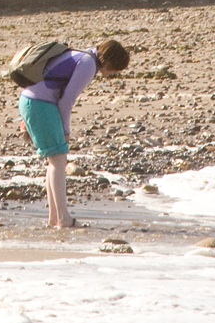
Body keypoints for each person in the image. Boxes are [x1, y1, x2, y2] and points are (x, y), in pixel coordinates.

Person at [19, 39, 131, 230]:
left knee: (55, 161)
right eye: (115, 70)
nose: (112, 74)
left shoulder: (82, 55)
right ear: (110, 62)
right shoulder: (88, 64)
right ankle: (63, 219)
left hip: (32, 102)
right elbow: (67, 100)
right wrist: (66, 130)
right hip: (40, 105)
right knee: (58, 160)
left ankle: (55, 218)